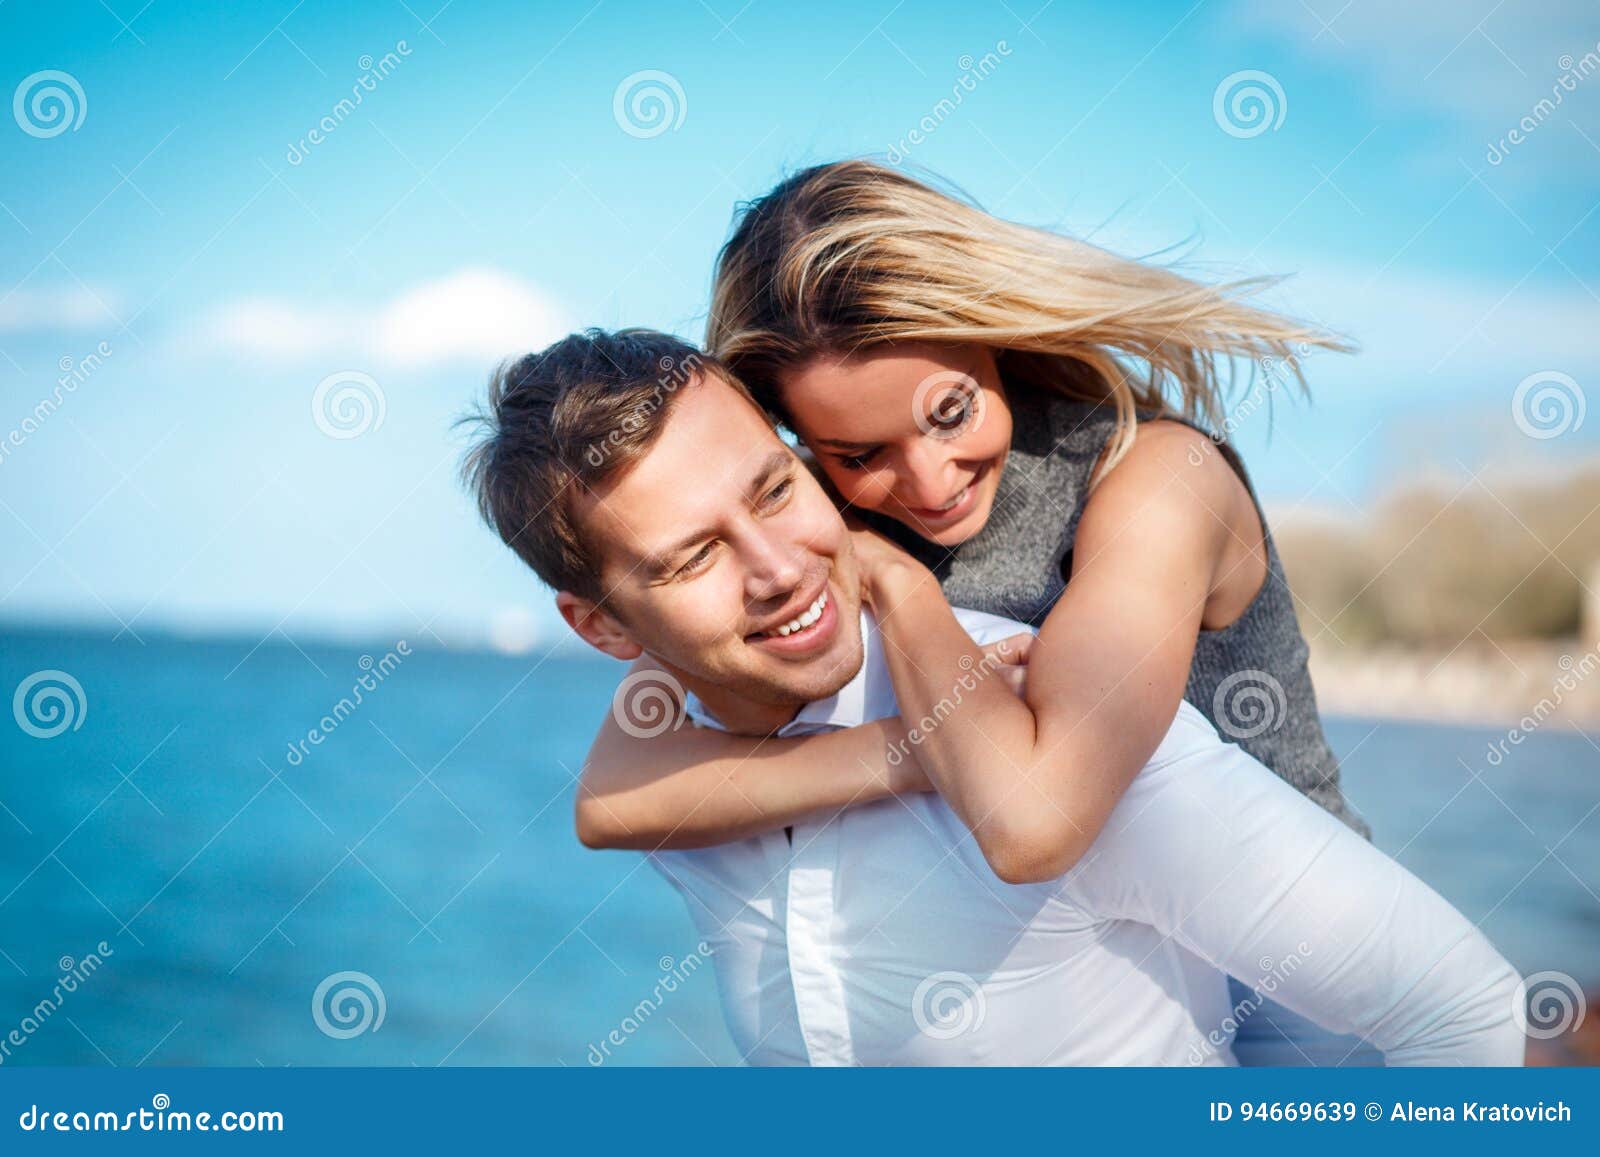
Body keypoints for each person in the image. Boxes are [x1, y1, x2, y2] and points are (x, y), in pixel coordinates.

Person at [460, 328, 1524, 1067]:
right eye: (694, 554)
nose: (778, 567)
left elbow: (1458, 1008)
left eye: (775, 490)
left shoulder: (1040, 713)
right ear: (601, 626)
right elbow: (607, 803)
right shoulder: (688, 778)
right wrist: (898, 753)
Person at [576, 161, 1379, 1062]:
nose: (926, 484)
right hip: (1100, 981)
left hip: (1301, 980)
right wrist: (911, 754)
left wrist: (903, 587)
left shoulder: (1155, 478)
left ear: (992, 333)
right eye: (857, 451)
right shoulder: (819, 526)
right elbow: (615, 795)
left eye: (951, 412)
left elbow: (1034, 820)